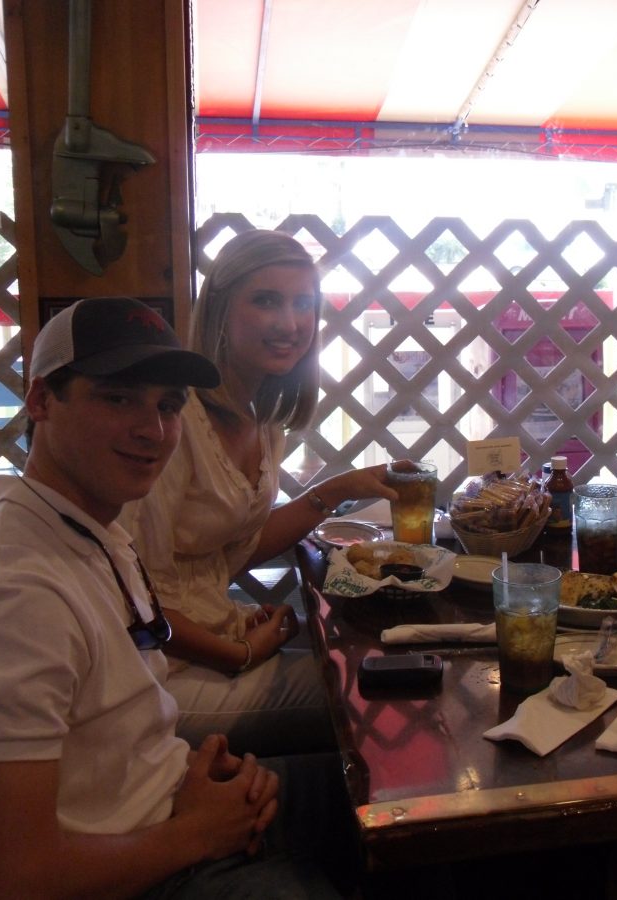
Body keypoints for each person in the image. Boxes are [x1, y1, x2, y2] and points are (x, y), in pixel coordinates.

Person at [0, 297, 350, 898]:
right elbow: (5, 881)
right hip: (145, 870)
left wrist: (190, 772)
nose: (153, 431)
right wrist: (197, 832)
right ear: (41, 401)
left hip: (166, 808)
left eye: (168, 406)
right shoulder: (13, 596)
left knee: (405, 799)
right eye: (117, 398)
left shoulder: (86, 530)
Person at [122, 229, 398, 757]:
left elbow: (237, 545)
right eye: (266, 300)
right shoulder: (175, 422)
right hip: (157, 674)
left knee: (372, 652)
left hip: (216, 636)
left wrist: (340, 489)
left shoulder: (261, 414)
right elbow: (133, 605)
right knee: (367, 696)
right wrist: (241, 652)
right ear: (221, 311)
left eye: (303, 304)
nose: (289, 323)